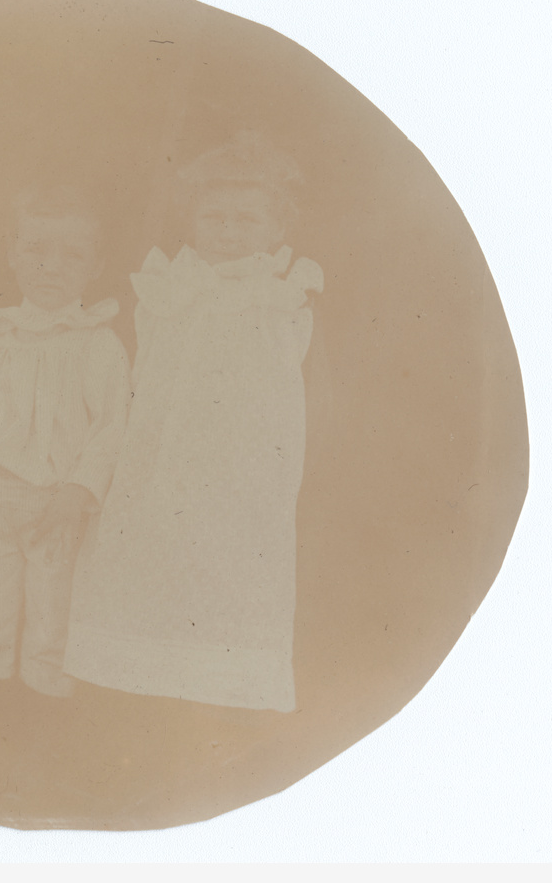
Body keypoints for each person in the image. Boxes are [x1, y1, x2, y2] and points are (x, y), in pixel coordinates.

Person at [65, 131, 323, 712]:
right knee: (151, 546)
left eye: (246, 219)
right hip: (166, 447)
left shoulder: (281, 291)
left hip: (243, 455)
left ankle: (217, 684)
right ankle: (140, 675)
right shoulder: (169, 286)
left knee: (232, 562)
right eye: (216, 218)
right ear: (193, 223)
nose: (229, 232)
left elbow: (284, 382)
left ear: (277, 228)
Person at [0, 186, 130, 698]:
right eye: (37, 250)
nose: (51, 267)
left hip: (55, 504)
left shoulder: (99, 344)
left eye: (71, 255)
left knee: (52, 616)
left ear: (94, 266)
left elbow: (111, 429)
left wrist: (78, 491)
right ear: (14, 256)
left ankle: (45, 713)